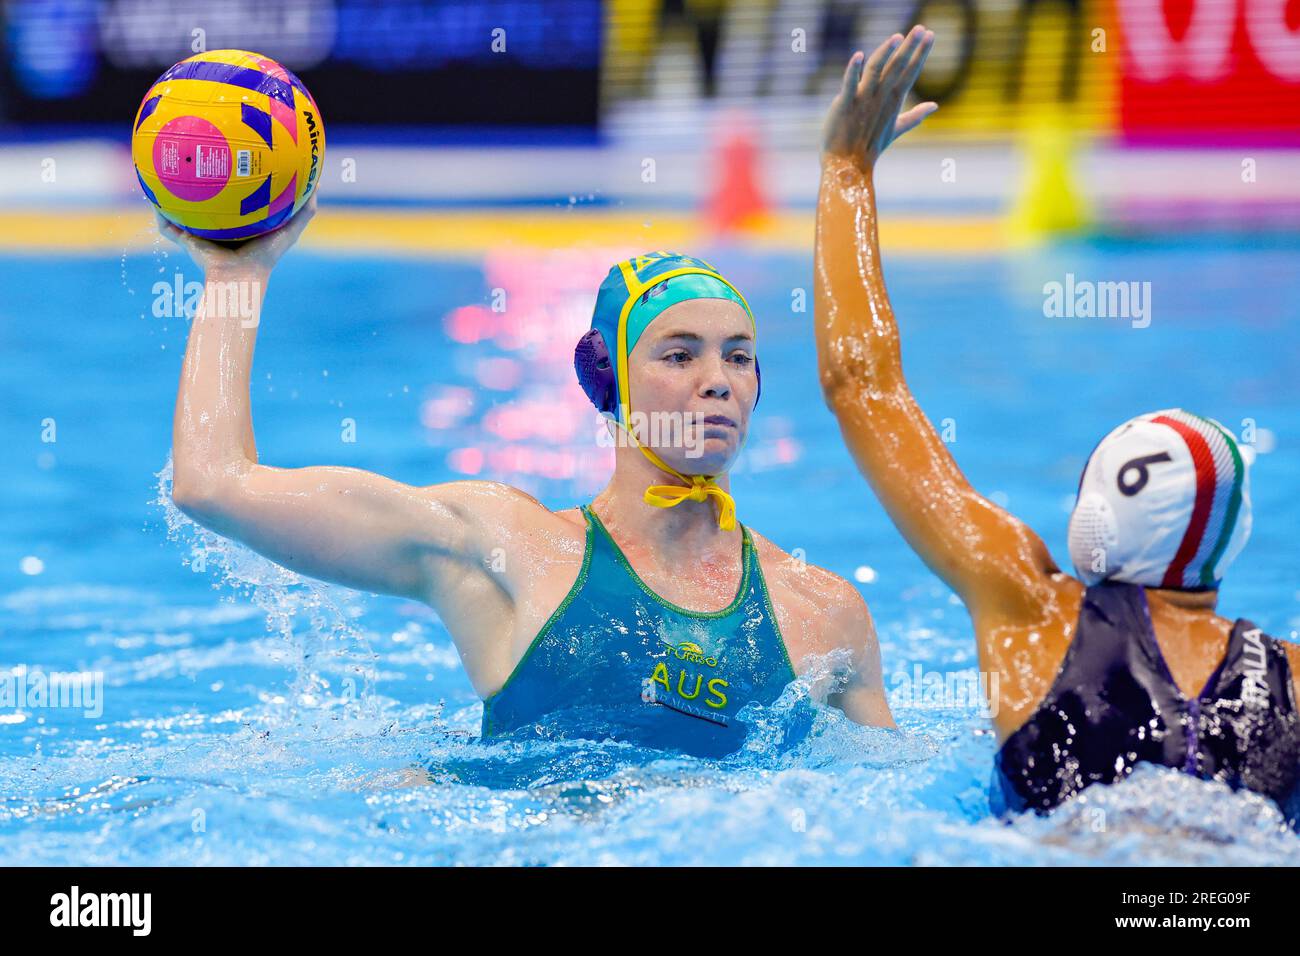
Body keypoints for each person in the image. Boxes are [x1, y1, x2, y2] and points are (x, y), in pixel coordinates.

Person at [159, 201, 893, 762]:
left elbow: (894, 809)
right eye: (678, 355)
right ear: (603, 378)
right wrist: (234, 276)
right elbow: (213, 485)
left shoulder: (825, 612)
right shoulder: (504, 549)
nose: (717, 383)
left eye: (738, 357)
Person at [815, 26, 1300, 820]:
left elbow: (861, 385)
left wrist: (846, 171)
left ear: (1097, 516)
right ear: (1232, 535)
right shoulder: (1292, 680)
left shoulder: (1030, 610)